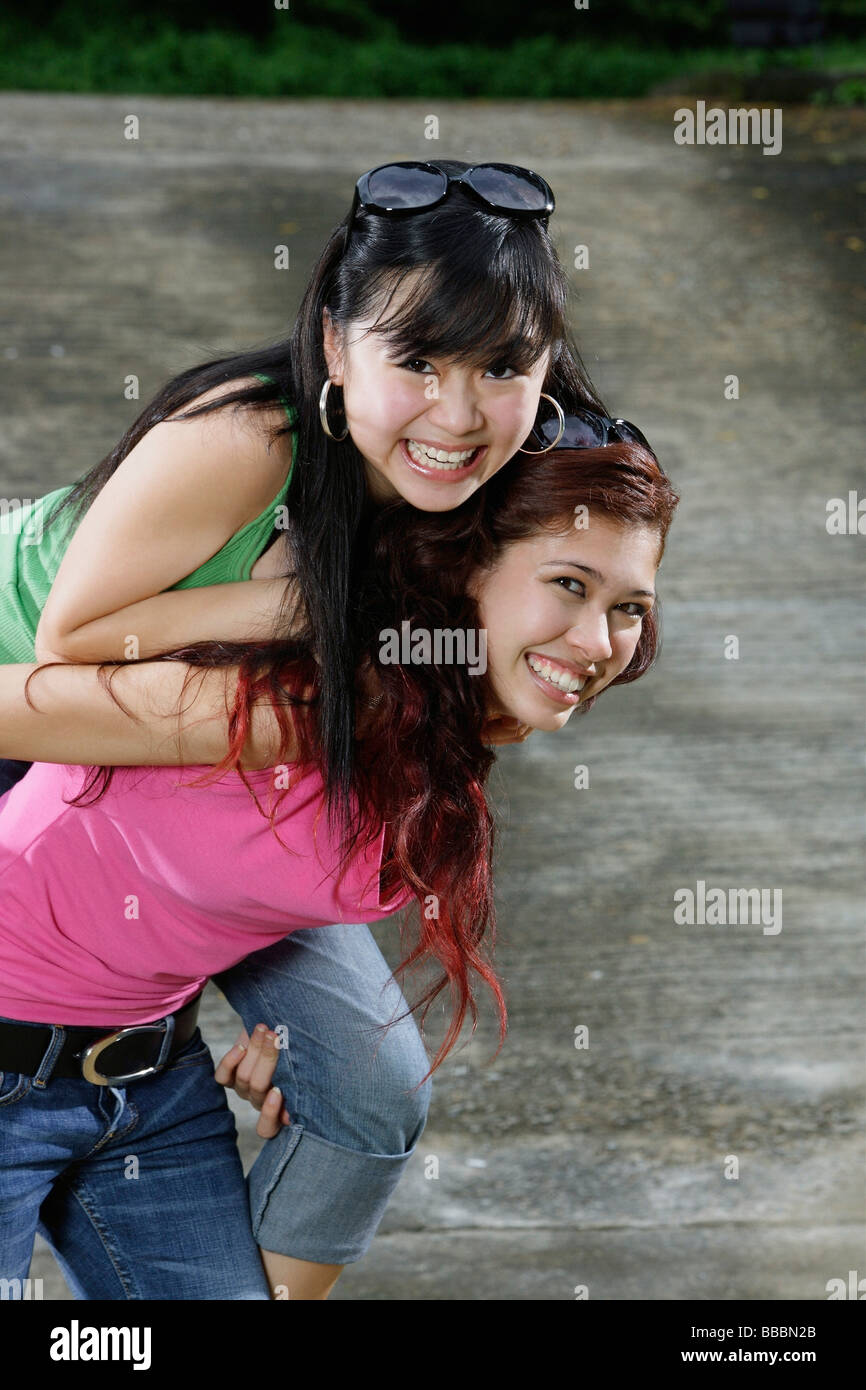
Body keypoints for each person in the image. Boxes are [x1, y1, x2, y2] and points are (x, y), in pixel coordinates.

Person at [0, 157, 611, 1297]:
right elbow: (77, 639)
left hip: (205, 755)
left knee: (372, 1078)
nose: (458, 410)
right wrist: (330, 603)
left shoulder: (520, 465)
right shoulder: (249, 436)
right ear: (335, 349)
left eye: (501, 366)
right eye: (415, 361)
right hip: (38, 683)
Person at [0, 433, 678, 1299]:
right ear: (467, 571)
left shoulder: (449, 731)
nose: (596, 639)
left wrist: (294, 1048)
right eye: (568, 586)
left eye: (629, 608)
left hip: (146, 1084)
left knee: (371, 1089)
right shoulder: (282, 703)